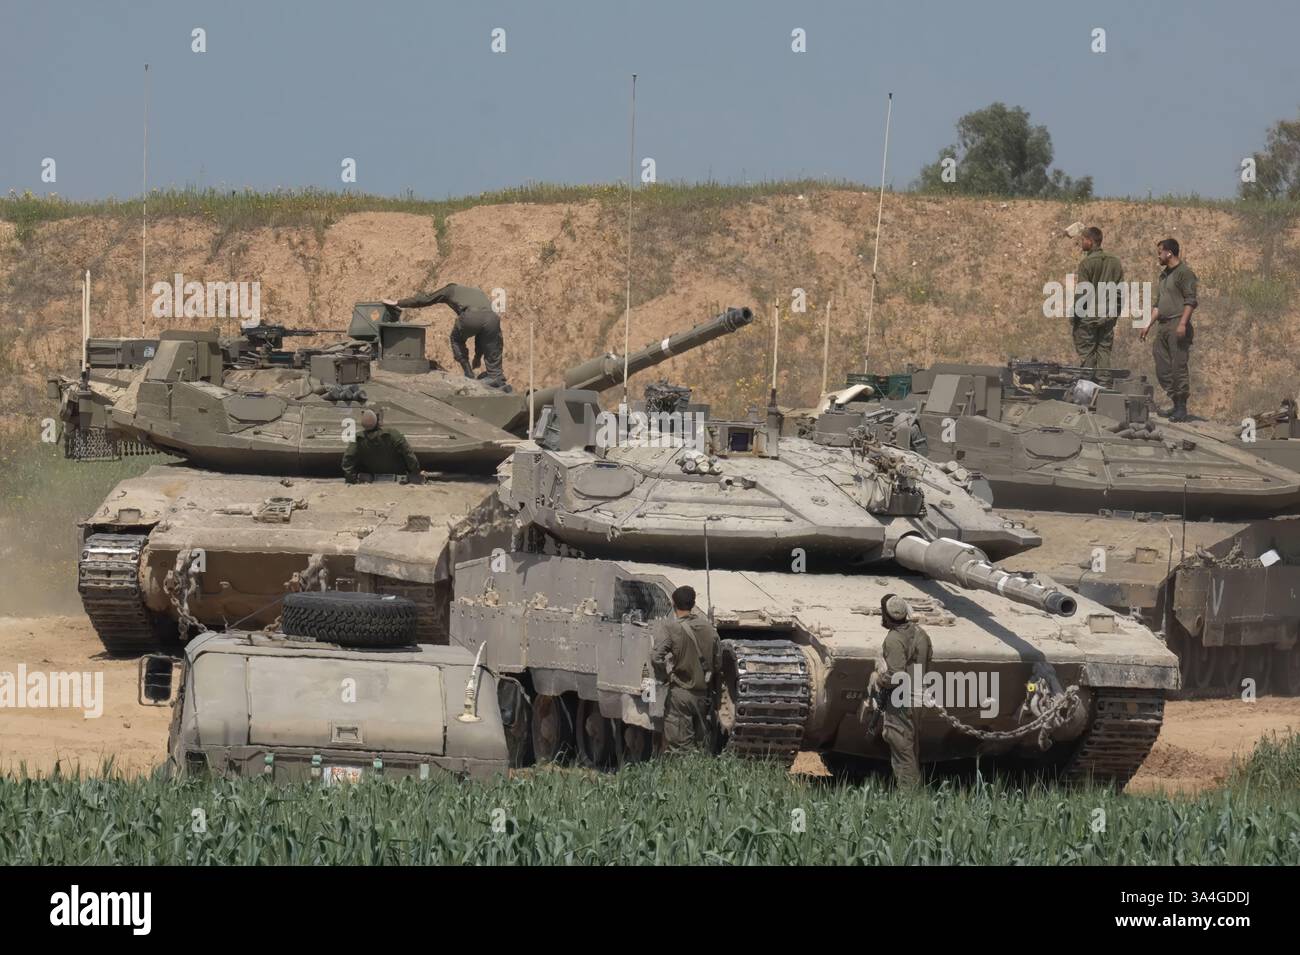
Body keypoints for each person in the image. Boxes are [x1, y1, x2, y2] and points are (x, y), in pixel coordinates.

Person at [383, 283, 509, 390]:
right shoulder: (477, 292)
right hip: (493, 317)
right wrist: (477, 356)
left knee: (456, 339)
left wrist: (398, 302)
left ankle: (468, 373)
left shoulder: (449, 290)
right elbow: (482, 332)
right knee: (492, 343)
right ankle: (495, 376)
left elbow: (426, 299)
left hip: (471, 315)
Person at [869, 593, 932, 789]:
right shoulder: (921, 633)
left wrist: (878, 678)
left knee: (902, 749)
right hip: (919, 697)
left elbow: (896, 675)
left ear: (885, 615)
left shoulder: (894, 639)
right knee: (912, 747)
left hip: (900, 700)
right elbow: (928, 662)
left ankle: (909, 799)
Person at [650, 585, 721, 753]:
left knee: (679, 747)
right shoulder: (710, 629)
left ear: (673, 604)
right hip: (702, 695)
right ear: (693, 603)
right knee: (701, 744)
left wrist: (665, 676)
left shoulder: (673, 628)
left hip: (680, 694)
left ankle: (682, 777)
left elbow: (655, 657)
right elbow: (718, 662)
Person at [1139, 238, 1198, 422]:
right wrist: (1148, 324)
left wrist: (1182, 324)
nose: (1158, 255)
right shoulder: (1164, 276)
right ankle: (1174, 400)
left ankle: (1181, 407)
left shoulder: (1184, 273)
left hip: (1177, 324)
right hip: (1163, 325)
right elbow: (1158, 304)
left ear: (1169, 253)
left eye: (1160, 252)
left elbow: (1190, 300)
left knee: (1178, 366)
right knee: (1162, 366)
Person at [1071, 226, 1125, 383]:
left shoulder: (1086, 263)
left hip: (1088, 317)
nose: (1081, 243)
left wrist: (1075, 315)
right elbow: (1121, 291)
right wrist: (1115, 313)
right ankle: (1103, 386)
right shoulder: (1115, 262)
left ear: (1089, 241)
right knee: (1104, 350)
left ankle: (1088, 385)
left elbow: (1083, 292)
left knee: (1087, 352)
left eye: (1082, 240)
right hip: (1108, 315)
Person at [341, 409, 423, 484]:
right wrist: (416, 472)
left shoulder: (357, 438)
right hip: (398, 478)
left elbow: (348, 459)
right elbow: (408, 454)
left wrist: (351, 479)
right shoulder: (393, 434)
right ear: (378, 421)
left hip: (371, 478)